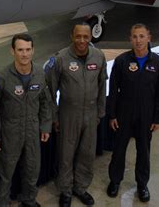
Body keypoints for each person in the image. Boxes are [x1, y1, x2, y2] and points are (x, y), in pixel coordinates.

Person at [45, 23, 107, 207]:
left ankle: (80, 187)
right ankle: (65, 190)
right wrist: (55, 117)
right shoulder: (60, 59)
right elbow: (50, 91)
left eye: (85, 37)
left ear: (90, 37)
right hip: (68, 114)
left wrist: (100, 112)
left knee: (87, 153)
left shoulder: (99, 56)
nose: (82, 40)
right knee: (66, 153)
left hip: (91, 112)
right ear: (72, 36)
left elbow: (102, 86)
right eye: (78, 36)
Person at [0, 33, 52, 207]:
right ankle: (2, 203)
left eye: (28, 50)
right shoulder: (1, 78)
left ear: (33, 50)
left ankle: (28, 199)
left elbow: (45, 102)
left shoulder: (39, 73)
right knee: (6, 173)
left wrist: (46, 126)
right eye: (20, 50)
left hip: (32, 130)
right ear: (12, 51)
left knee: (32, 169)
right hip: (10, 132)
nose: (24, 54)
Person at [106, 23, 159, 202]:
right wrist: (112, 114)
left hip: (146, 115)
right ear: (130, 39)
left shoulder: (157, 63)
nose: (138, 40)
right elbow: (113, 89)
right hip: (124, 113)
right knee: (119, 150)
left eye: (141, 36)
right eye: (134, 36)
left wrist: (157, 118)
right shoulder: (122, 61)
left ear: (149, 37)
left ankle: (142, 185)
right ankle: (115, 181)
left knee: (144, 151)